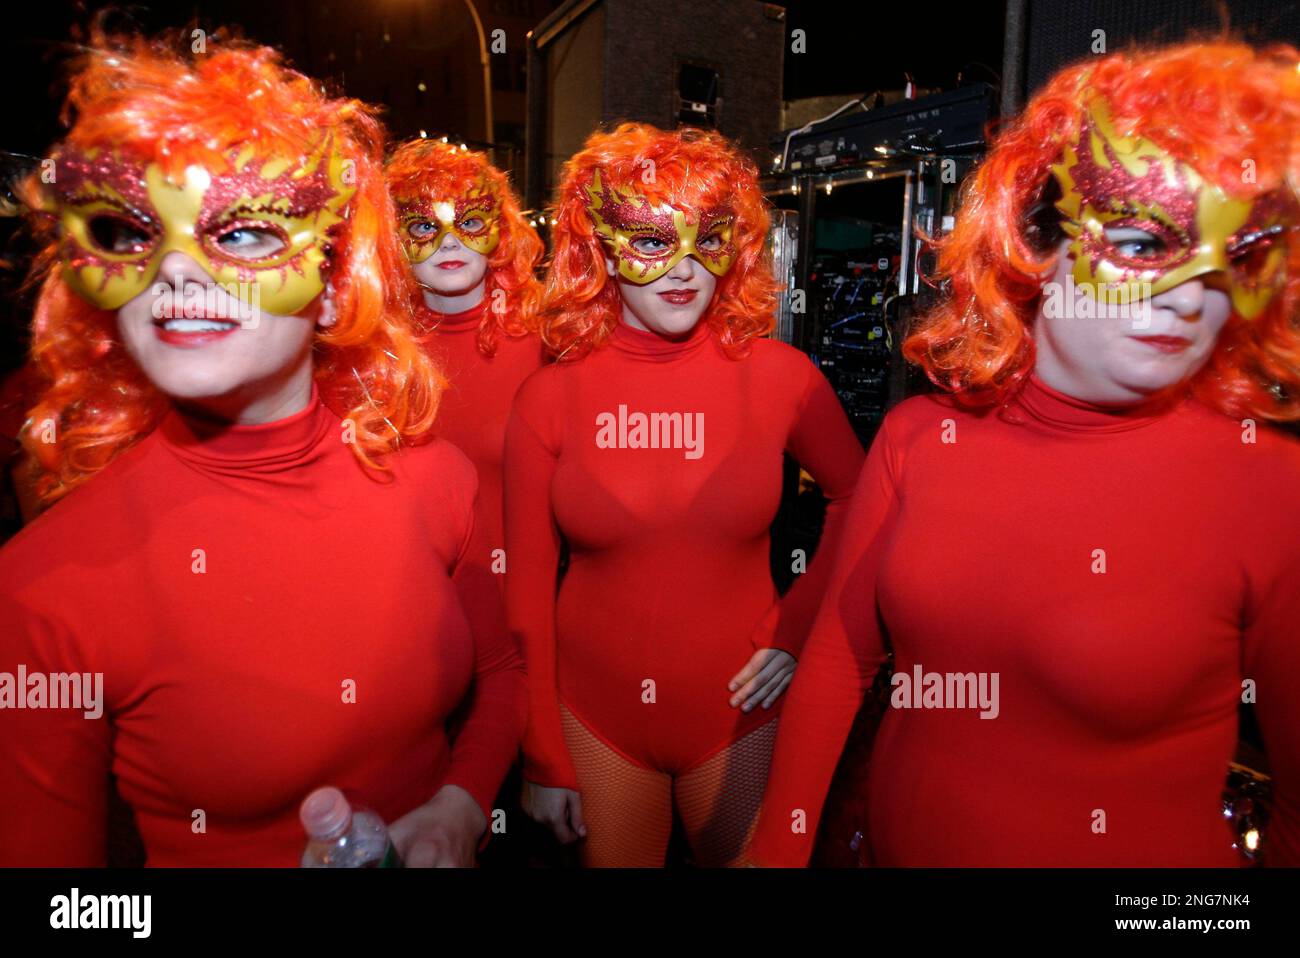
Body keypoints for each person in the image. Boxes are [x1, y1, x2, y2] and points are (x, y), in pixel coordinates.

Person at [746, 40, 1300, 867]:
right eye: (1146, 247)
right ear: (1035, 243)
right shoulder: (921, 437)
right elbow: (838, 658)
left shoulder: (1267, 485)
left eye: (1237, 260)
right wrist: (776, 849)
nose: (1190, 296)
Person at [0, 29, 524, 867]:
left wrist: (459, 808)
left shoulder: (439, 484)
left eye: (242, 234)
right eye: (133, 233)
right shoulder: (42, 588)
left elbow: (502, 671)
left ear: (333, 289)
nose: (178, 273)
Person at [505, 122, 865, 866]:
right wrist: (542, 754)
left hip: (740, 710)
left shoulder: (782, 378)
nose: (685, 268)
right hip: (593, 718)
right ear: (601, 247)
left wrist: (797, 625)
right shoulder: (548, 399)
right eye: (650, 241)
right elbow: (526, 588)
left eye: (709, 238)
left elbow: (863, 502)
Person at [386, 138, 544, 603]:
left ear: (498, 231)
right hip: (409, 605)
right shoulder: (376, 355)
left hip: (518, 602)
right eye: (423, 226)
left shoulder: (546, 345)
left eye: (470, 222)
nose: (450, 241)